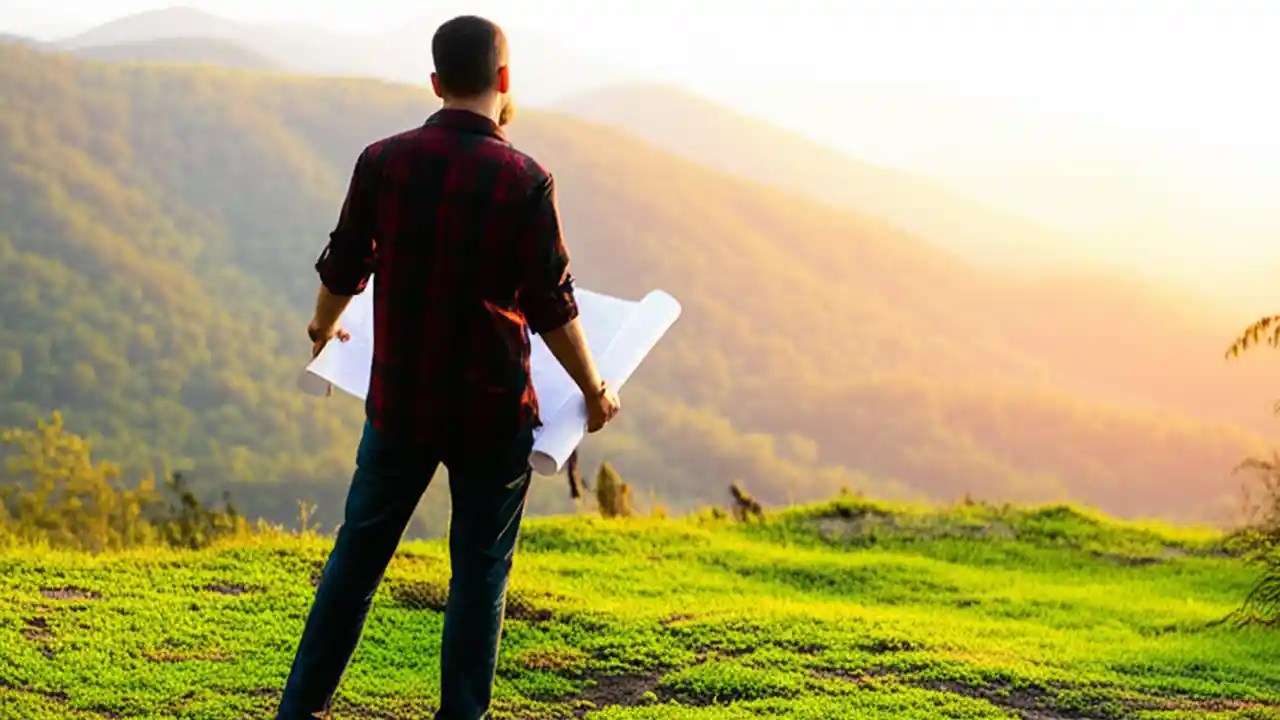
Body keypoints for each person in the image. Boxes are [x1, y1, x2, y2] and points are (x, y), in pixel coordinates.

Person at [275, 15, 621, 720]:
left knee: (355, 562)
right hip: (492, 412)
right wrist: (593, 388)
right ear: (504, 81)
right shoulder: (525, 179)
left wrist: (324, 323)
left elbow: (347, 259)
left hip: (399, 401)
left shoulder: (383, 161)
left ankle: (299, 709)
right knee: (479, 573)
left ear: (435, 83)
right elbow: (551, 303)